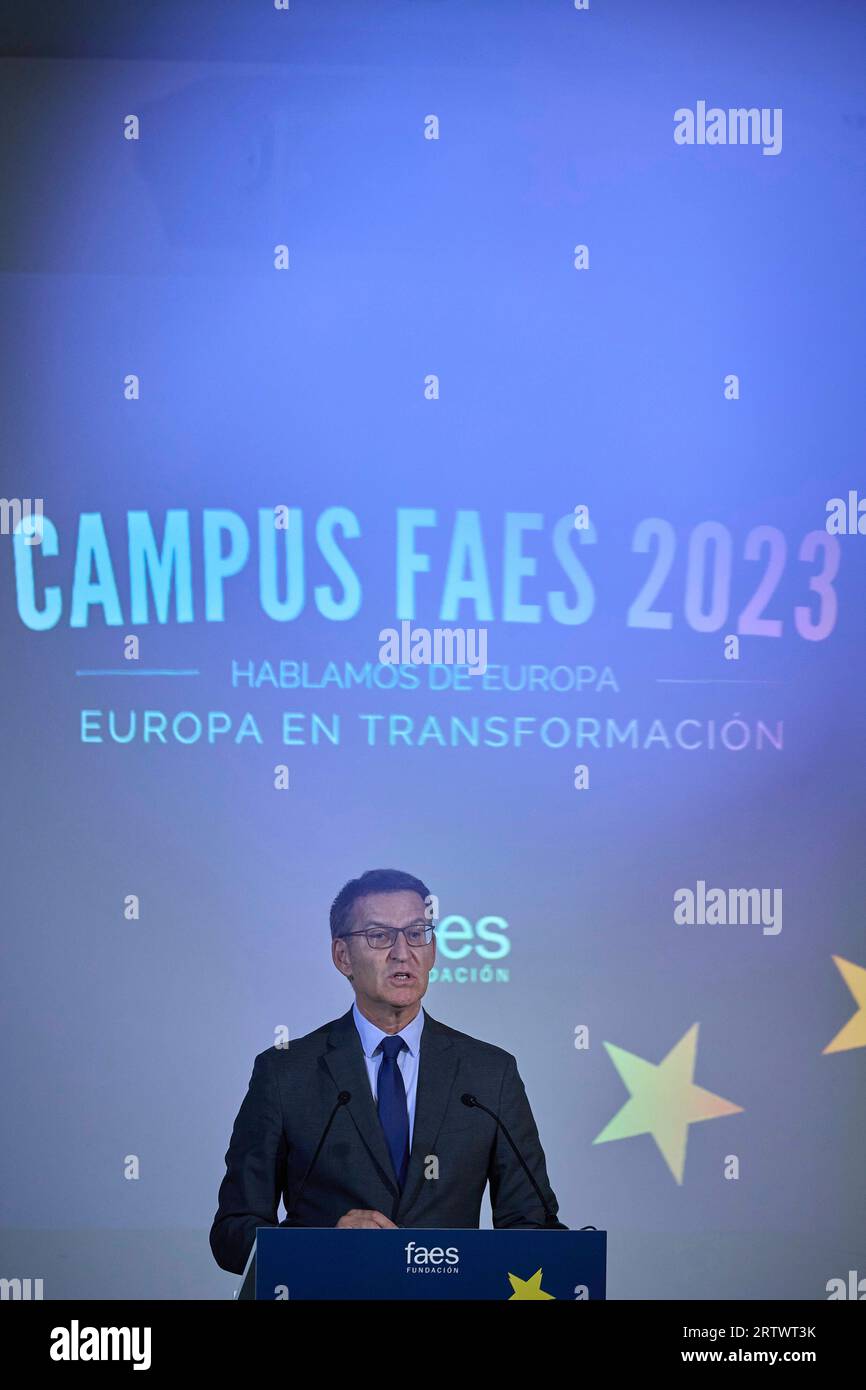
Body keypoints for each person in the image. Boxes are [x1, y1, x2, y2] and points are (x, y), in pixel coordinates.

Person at [209, 868, 567, 1274]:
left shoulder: (489, 1074)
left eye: (417, 933)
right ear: (342, 955)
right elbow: (231, 1234)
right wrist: (324, 1242)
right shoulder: (284, 1074)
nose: (403, 952)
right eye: (380, 936)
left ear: (432, 950)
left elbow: (530, 1223)